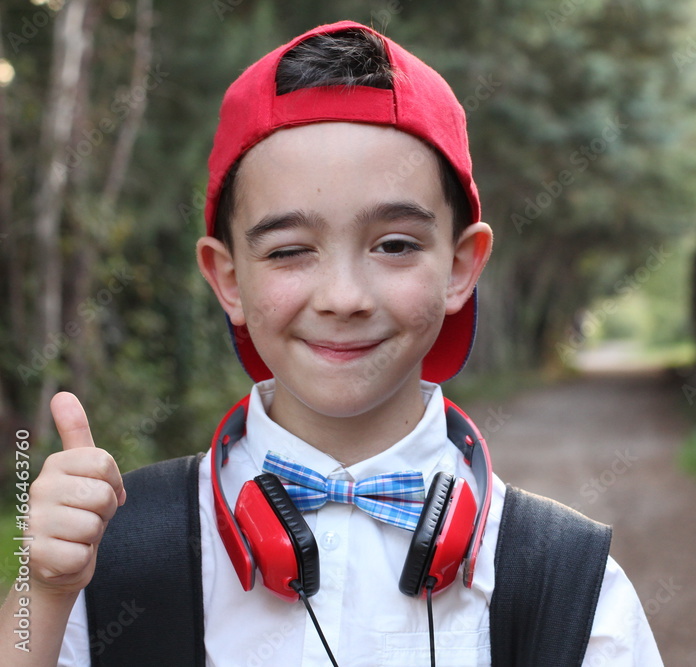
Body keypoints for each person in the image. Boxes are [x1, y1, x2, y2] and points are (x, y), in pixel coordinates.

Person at [0, 21, 662, 666]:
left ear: (461, 266)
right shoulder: (113, 551)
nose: (344, 296)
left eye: (394, 244)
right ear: (228, 278)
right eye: (290, 251)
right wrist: (45, 590)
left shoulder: (573, 586)